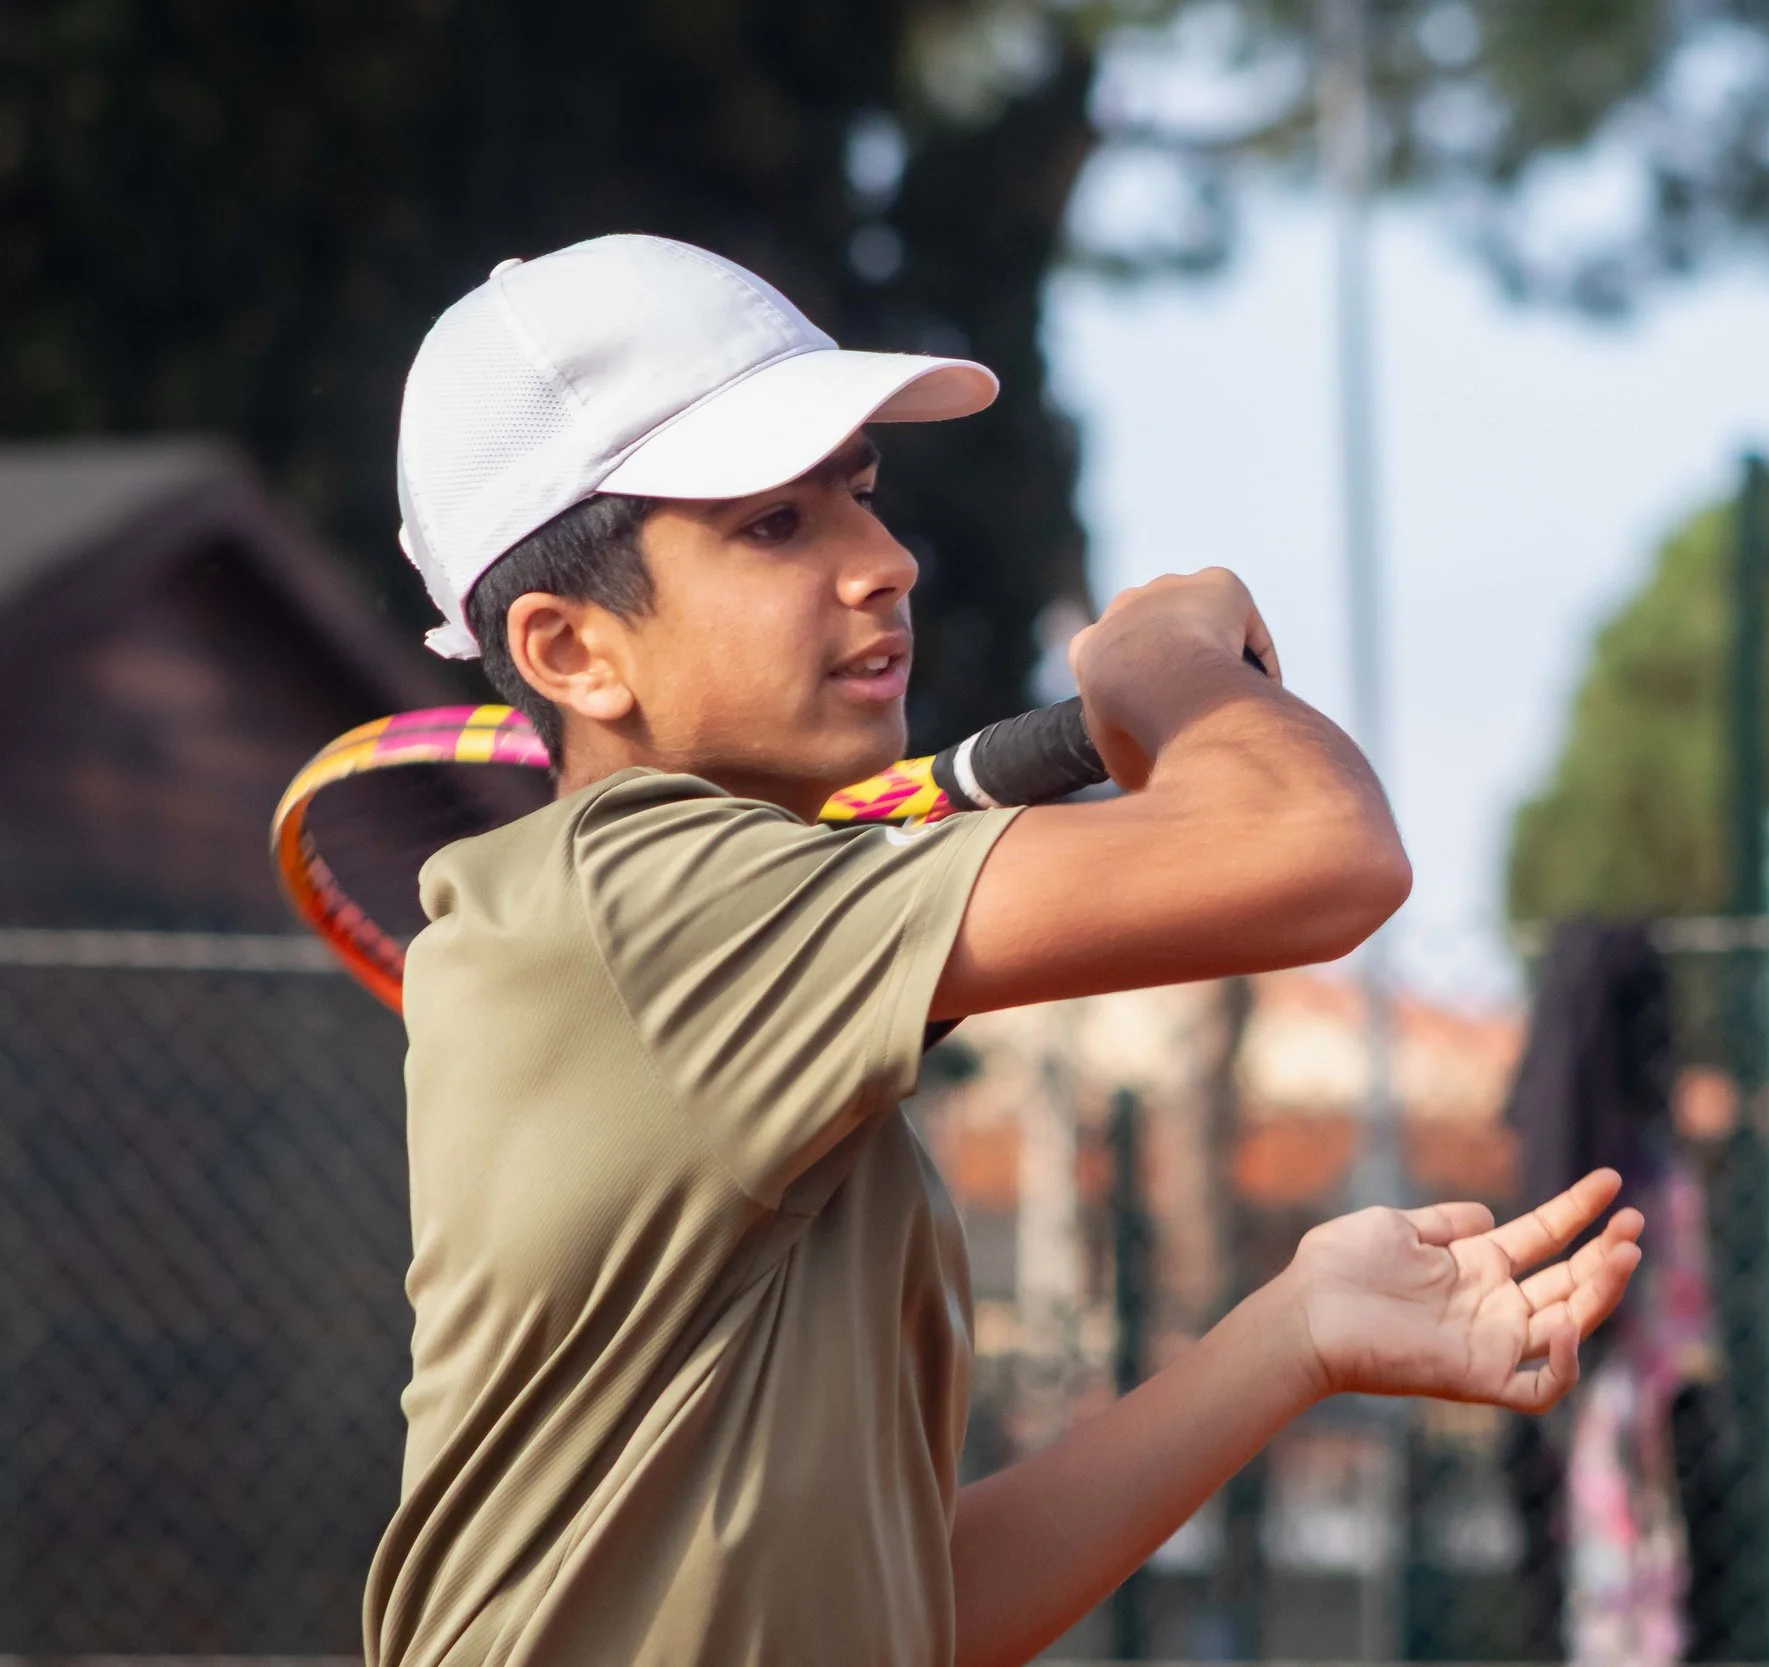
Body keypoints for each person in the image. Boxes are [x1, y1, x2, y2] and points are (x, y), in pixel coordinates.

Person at [365, 232, 1645, 1667]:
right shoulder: (645, 894)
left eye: (860, 496)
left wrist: (1297, 1329)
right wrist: (1155, 662)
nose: (886, 560)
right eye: (775, 526)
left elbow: (918, 1609)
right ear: (571, 651)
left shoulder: (724, 955)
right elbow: (1318, 850)